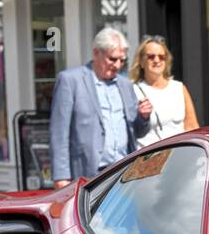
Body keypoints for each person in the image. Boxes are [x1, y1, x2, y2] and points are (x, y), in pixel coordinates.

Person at [50, 28, 152, 188]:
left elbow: (137, 132)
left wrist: (144, 117)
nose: (118, 65)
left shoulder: (125, 84)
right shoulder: (71, 80)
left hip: (125, 173)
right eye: (113, 59)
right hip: (88, 175)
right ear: (96, 52)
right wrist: (61, 177)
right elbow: (59, 133)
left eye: (122, 60)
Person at [131, 35, 199, 146]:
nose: (157, 60)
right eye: (151, 56)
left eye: (161, 57)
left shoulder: (178, 88)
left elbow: (192, 127)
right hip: (149, 159)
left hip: (179, 155)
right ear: (141, 62)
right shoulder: (133, 90)